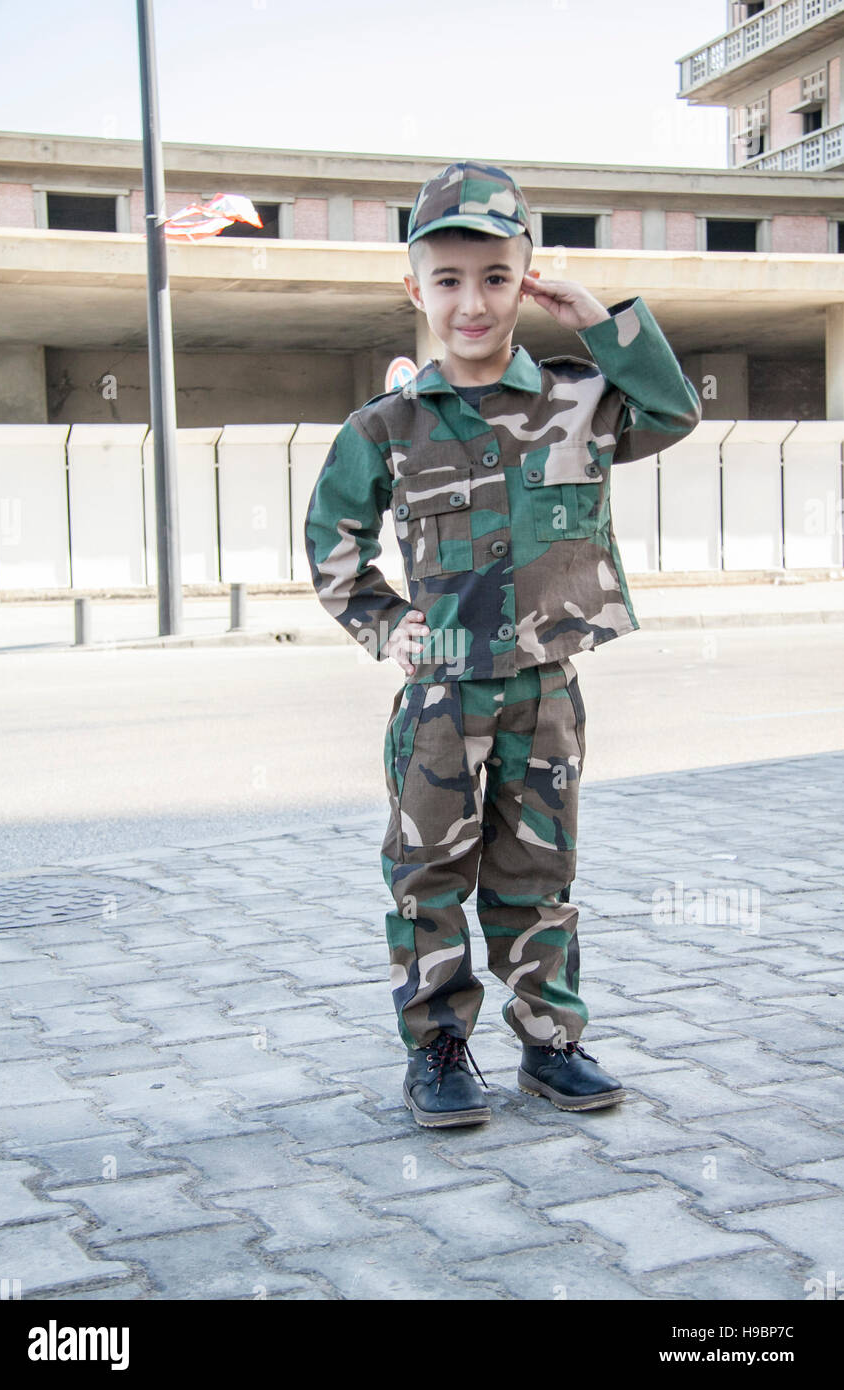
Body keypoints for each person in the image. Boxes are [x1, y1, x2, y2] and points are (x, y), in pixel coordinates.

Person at [305, 160, 702, 1128]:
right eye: (446, 280)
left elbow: (675, 410)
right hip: (440, 698)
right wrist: (380, 619)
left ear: (525, 276)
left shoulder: (579, 399)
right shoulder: (387, 425)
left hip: (544, 691)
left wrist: (600, 321)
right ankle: (437, 1050)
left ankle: (548, 1043)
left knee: (539, 874)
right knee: (427, 876)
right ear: (415, 289)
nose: (470, 302)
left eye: (493, 276)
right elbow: (331, 539)